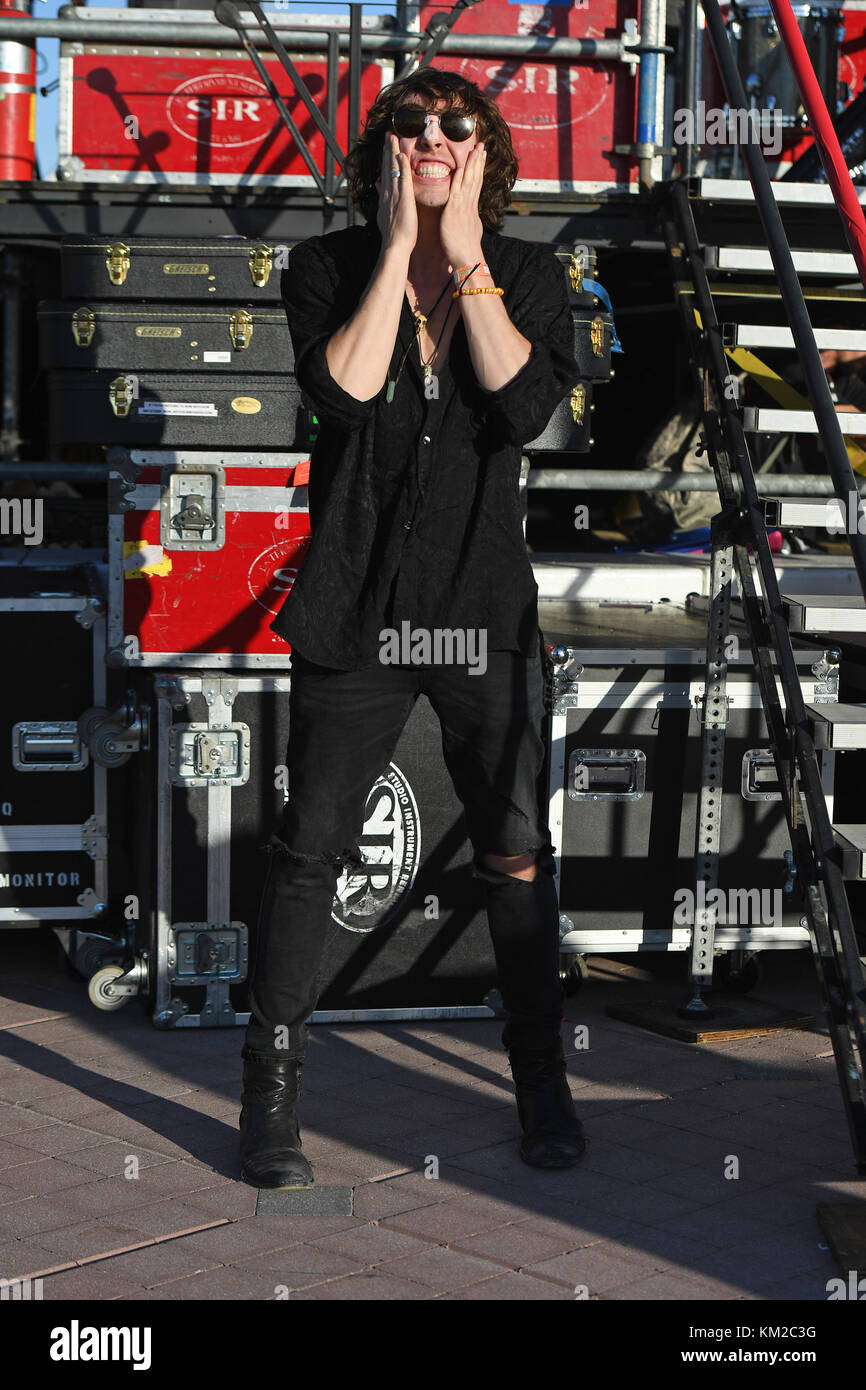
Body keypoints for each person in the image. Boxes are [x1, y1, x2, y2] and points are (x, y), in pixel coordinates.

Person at [238, 68, 586, 1188]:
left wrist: (466, 251)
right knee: (308, 858)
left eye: (453, 125)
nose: (429, 138)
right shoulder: (326, 266)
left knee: (513, 854)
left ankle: (541, 1086)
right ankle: (272, 1101)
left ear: (485, 148)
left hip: (479, 613)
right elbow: (340, 397)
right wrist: (396, 251)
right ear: (380, 147)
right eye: (407, 124)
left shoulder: (530, 275)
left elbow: (524, 408)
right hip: (355, 614)